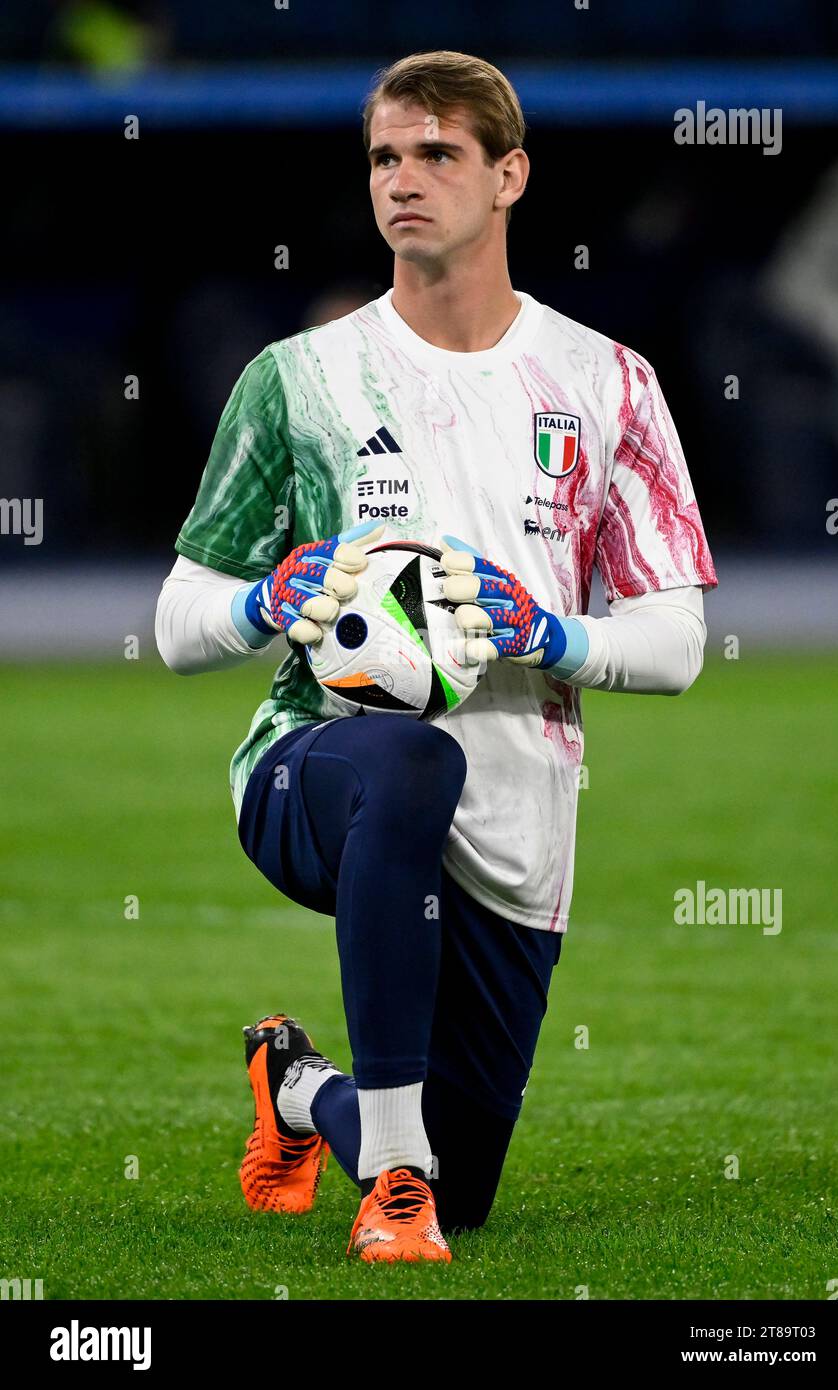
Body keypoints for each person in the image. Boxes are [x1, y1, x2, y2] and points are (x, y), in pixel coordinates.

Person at [155, 49, 717, 1264]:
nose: (402, 180)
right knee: (408, 761)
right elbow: (176, 618)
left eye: (437, 154)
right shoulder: (297, 381)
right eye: (383, 157)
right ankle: (393, 1183)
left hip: (520, 812)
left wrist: (549, 632)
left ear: (508, 174)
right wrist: (267, 598)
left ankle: (303, 1092)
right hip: (316, 771)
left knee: (472, 1188)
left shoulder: (608, 383)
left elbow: (677, 643)